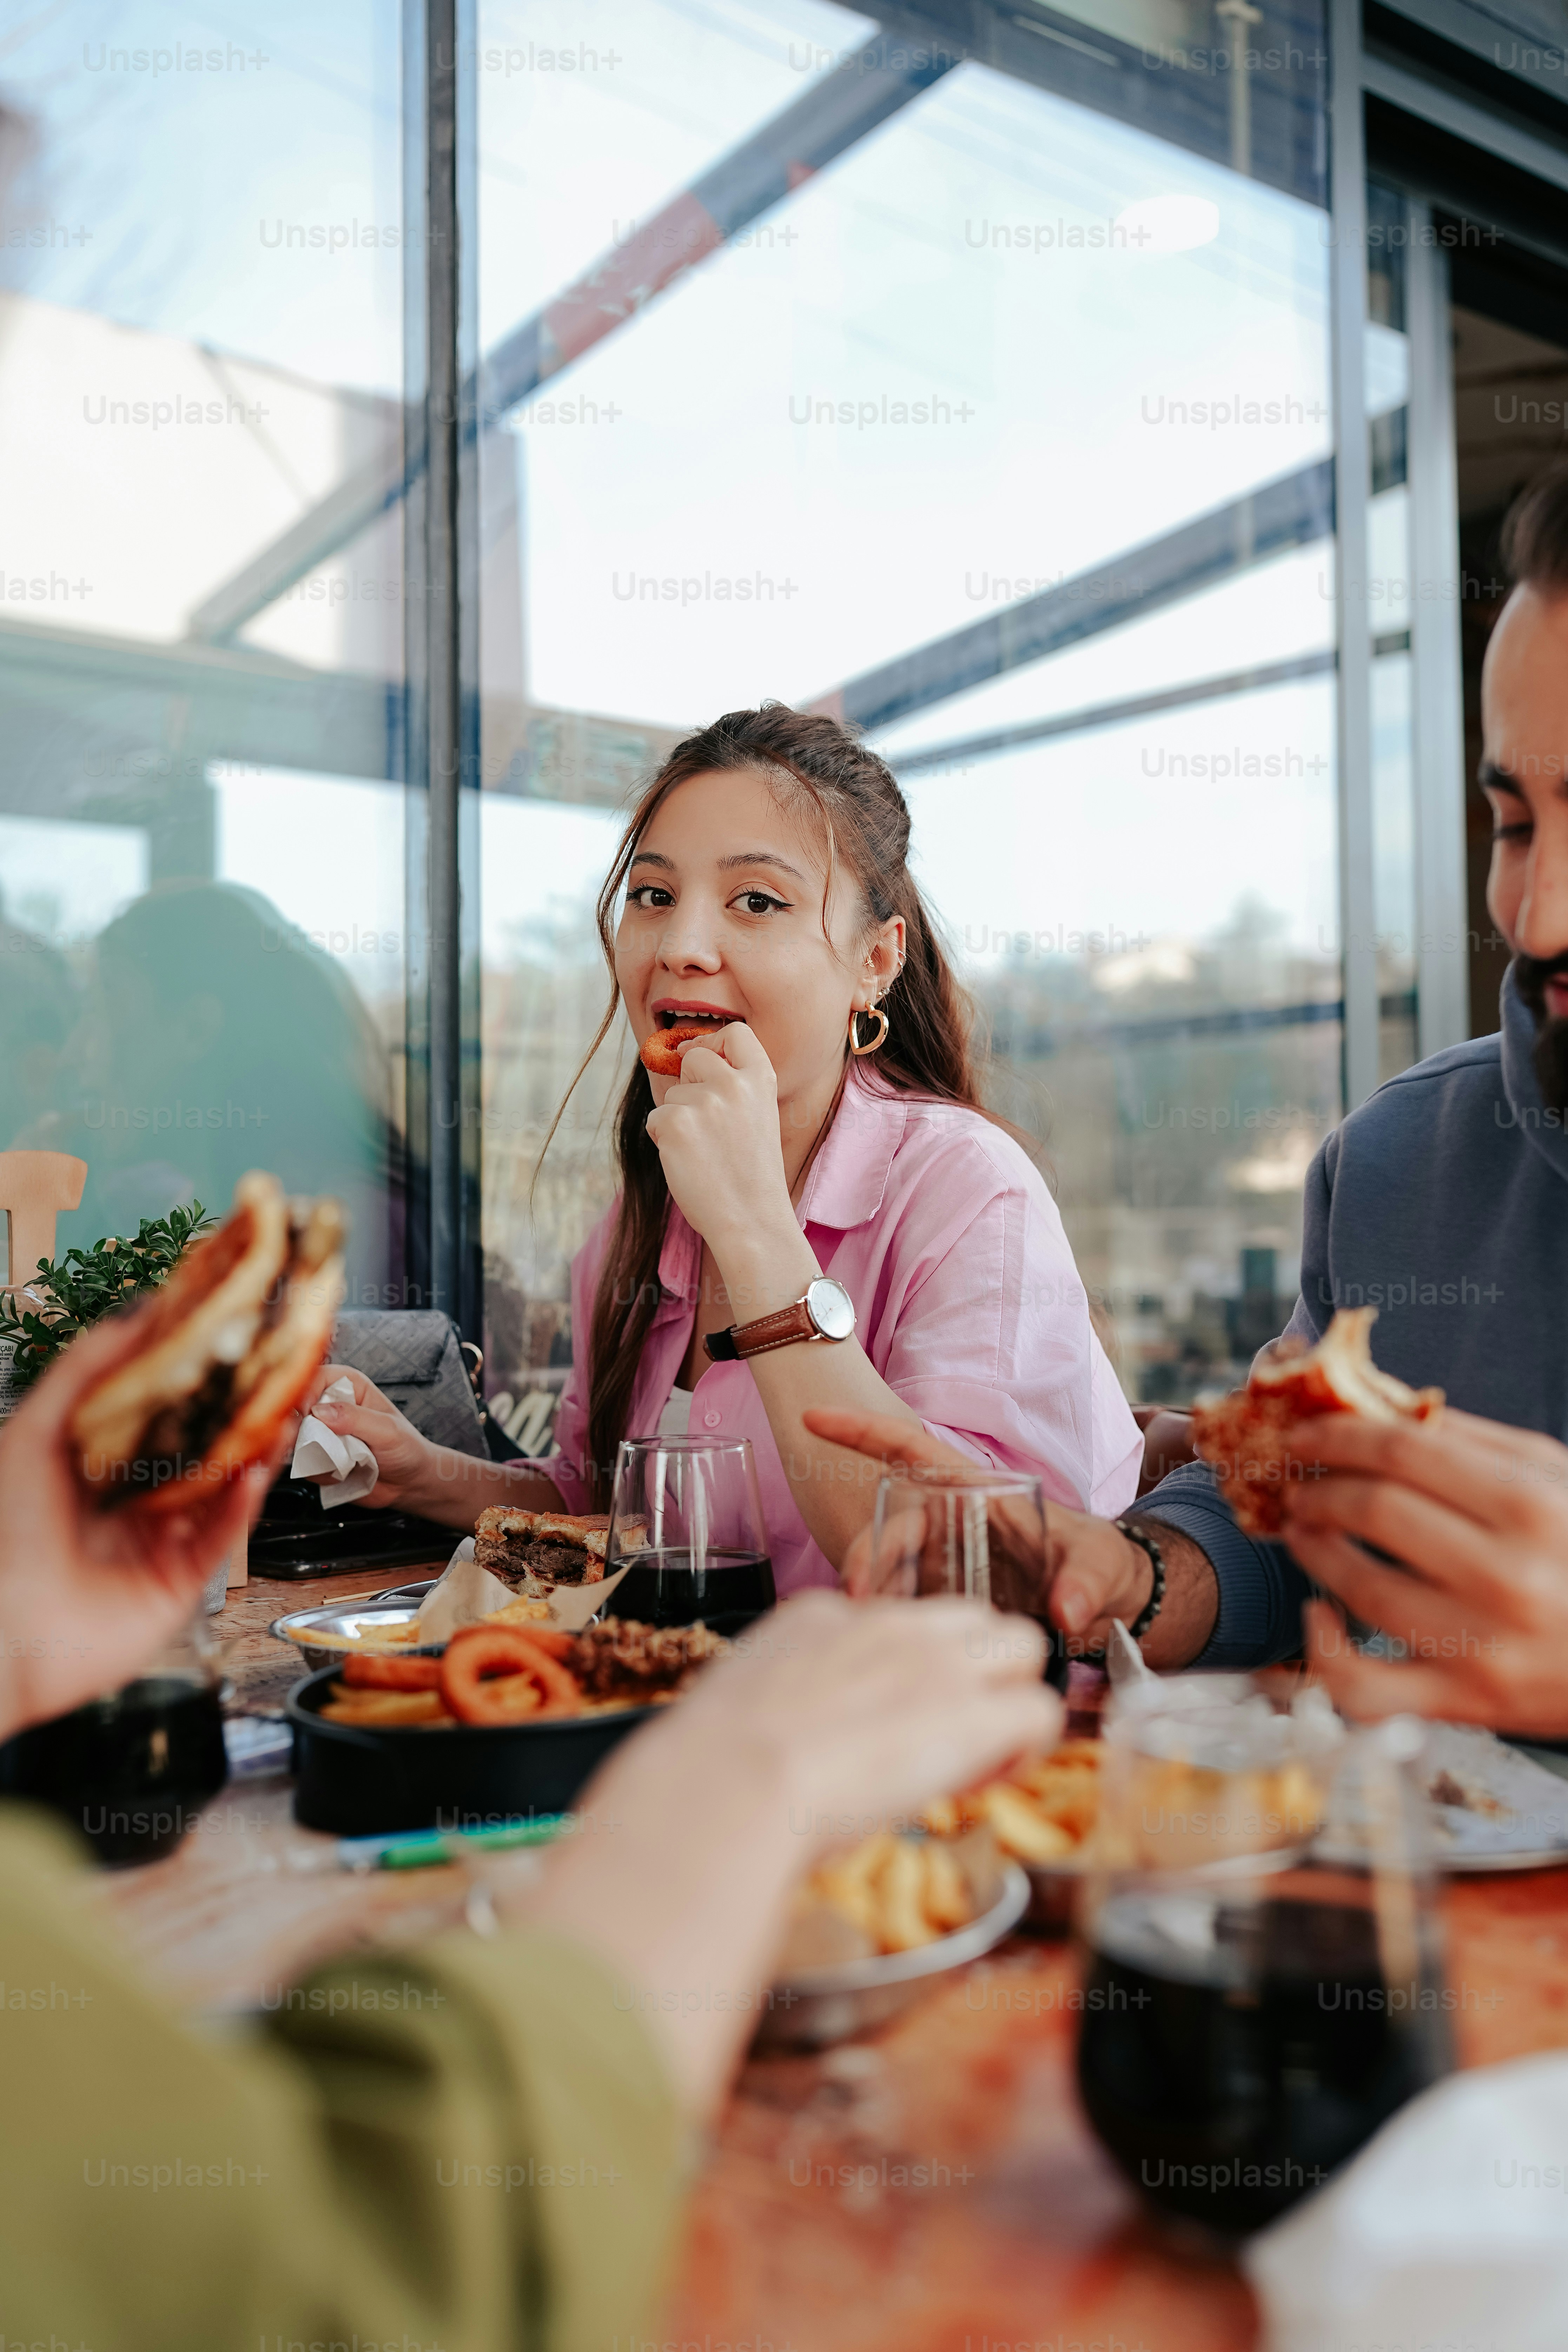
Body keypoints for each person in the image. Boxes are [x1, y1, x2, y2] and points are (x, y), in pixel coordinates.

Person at [0, 1307, 1059, 2350]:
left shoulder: (944, 1188)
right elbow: (398, 2252)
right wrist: (745, 1774)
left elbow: (972, 1538)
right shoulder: (639, 1234)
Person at [809, 459, 1568, 1674]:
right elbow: (1283, 1537)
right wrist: (1135, 1570)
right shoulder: (1394, 1169)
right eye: (1515, 827)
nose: (1534, 916)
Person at [309, 704, 1140, 1589]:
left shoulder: (968, 1190)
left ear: (875, 961)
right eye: (654, 896)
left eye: (756, 901)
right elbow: (613, 1510)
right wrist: (426, 1473)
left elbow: (974, 1571)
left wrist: (753, 1232)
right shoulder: (643, 1217)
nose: (680, 946)